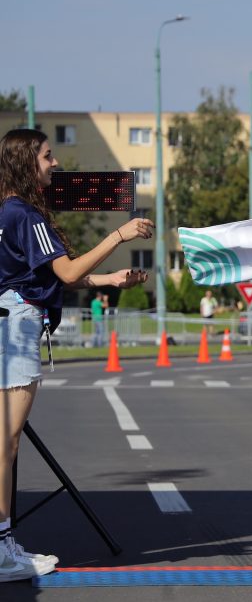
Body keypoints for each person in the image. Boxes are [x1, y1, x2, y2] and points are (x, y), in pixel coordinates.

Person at [0, 129, 152, 582]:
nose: (56, 163)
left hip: (8, 316)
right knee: (6, 443)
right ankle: (3, 549)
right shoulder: (24, 213)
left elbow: (42, 276)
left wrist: (109, 280)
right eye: (48, 156)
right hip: (16, 324)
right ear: (26, 162)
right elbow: (65, 271)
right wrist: (119, 235)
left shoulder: (7, 211)